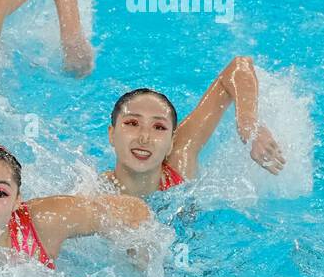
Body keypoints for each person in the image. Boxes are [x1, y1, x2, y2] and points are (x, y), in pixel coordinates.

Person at [0, 143, 149, 269]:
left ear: (17, 202)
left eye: (0, 193)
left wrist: (137, 265)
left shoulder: (46, 220)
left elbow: (135, 210)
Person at [104, 56, 285, 196]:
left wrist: (249, 124)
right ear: (112, 134)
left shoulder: (178, 164)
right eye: (132, 123)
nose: (144, 137)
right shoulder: (95, 196)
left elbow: (239, 66)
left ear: (171, 142)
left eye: (158, 127)